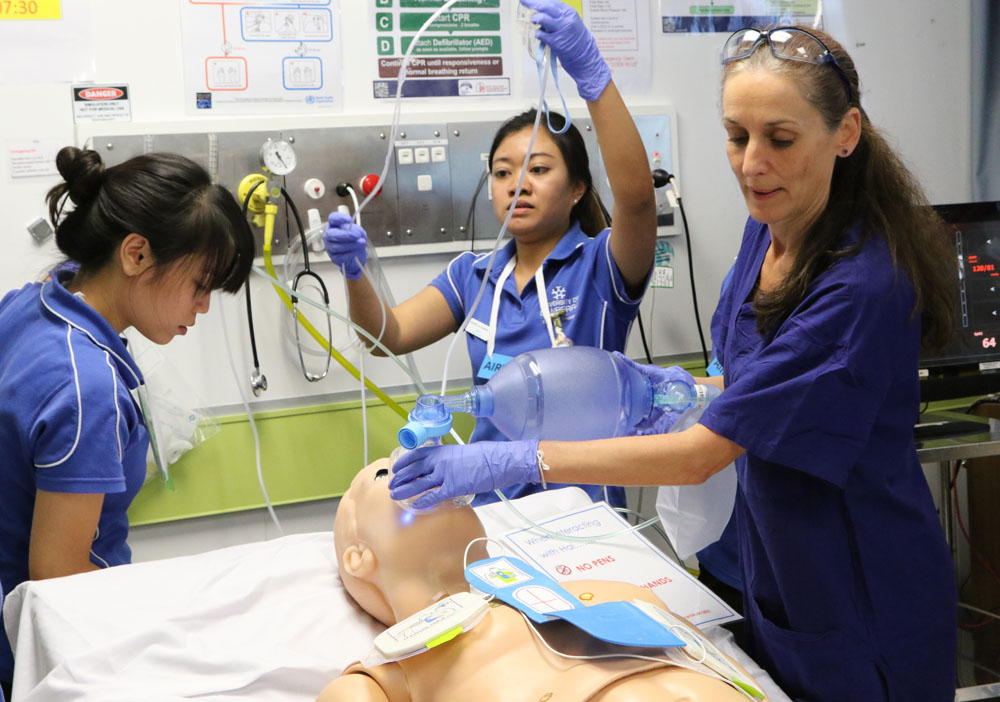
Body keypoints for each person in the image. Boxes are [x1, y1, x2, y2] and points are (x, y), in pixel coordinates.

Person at [389, 25, 959, 701]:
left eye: (779, 139)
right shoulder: (769, 232)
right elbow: (757, 382)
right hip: (772, 570)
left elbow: (702, 455)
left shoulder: (858, 285)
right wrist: (690, 389)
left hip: (860, 594)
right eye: (736, 135)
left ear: (846, 132)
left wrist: (519, 459)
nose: (751, 165)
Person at [322, 0, 656, 507]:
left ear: (577, 191)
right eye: (502, 172)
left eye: (538, 170)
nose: (516, 184)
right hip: (487, 512)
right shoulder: (472, 276)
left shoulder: (600, 268)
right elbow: (383, 337)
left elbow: (635, 197)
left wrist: (591, 73)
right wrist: (354, 271)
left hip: (583, 515)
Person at [0, 147, 254, 689]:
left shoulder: (29, 305)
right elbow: (60, 576)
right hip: (49, 649)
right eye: (200, 285)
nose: (203, 307)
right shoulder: (86, 386)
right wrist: (165, 619)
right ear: (136, 254)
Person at [318, 459, 762, 702]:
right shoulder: (388, 675)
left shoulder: (585, 596)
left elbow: (710, 662)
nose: (416, 466)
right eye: (383, 473)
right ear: (359, 558)